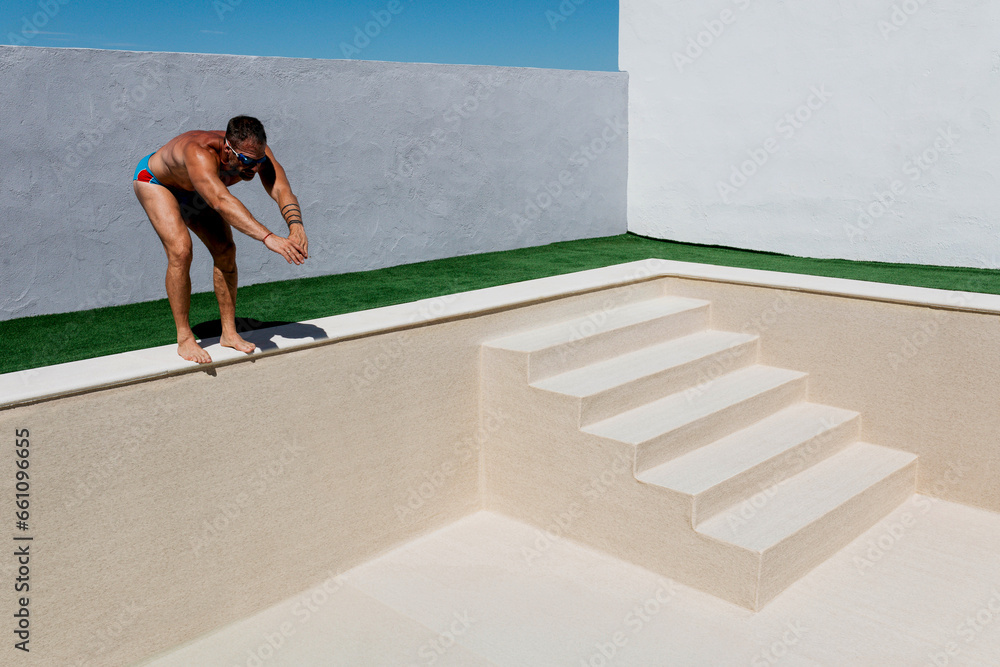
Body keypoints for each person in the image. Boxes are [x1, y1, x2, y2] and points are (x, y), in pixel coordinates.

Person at [133, 115, 308, 364]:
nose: (254, 168)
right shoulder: (200, 153)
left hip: (195, 191)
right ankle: (184, 338)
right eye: (247, 161)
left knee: (225, 249)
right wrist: (268, 237)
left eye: (258, 162)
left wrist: (296, 225)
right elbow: (220, 202)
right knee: (181, 250)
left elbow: (281, 189)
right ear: (228, 149)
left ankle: (228, 333)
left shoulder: (258, 154)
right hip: (158, 182)